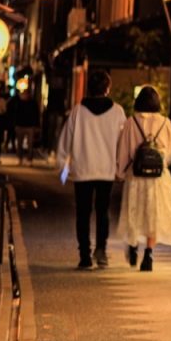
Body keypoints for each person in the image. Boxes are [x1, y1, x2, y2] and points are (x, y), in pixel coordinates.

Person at [57, 68, 127, 269]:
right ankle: (101, 250)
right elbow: (122, 143)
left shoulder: (78, 110)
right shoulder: (117, 111)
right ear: (108, 88)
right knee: (103, 211)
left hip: (82, 169)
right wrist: (120, 168)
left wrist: (63, 169)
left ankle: (84, 256)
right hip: (106, 170)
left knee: (83, 213)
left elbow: (65, 142)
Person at [114, 87, 171, 272]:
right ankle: (149, 254)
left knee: (134, 212)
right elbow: (170, 151)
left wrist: (120, 172)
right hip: (158, 178)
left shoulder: (131, 122)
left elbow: (123, 150)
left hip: (136, 175)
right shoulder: (165, 123)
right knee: (153, 216)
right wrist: (162, 161)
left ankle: (132, 246)